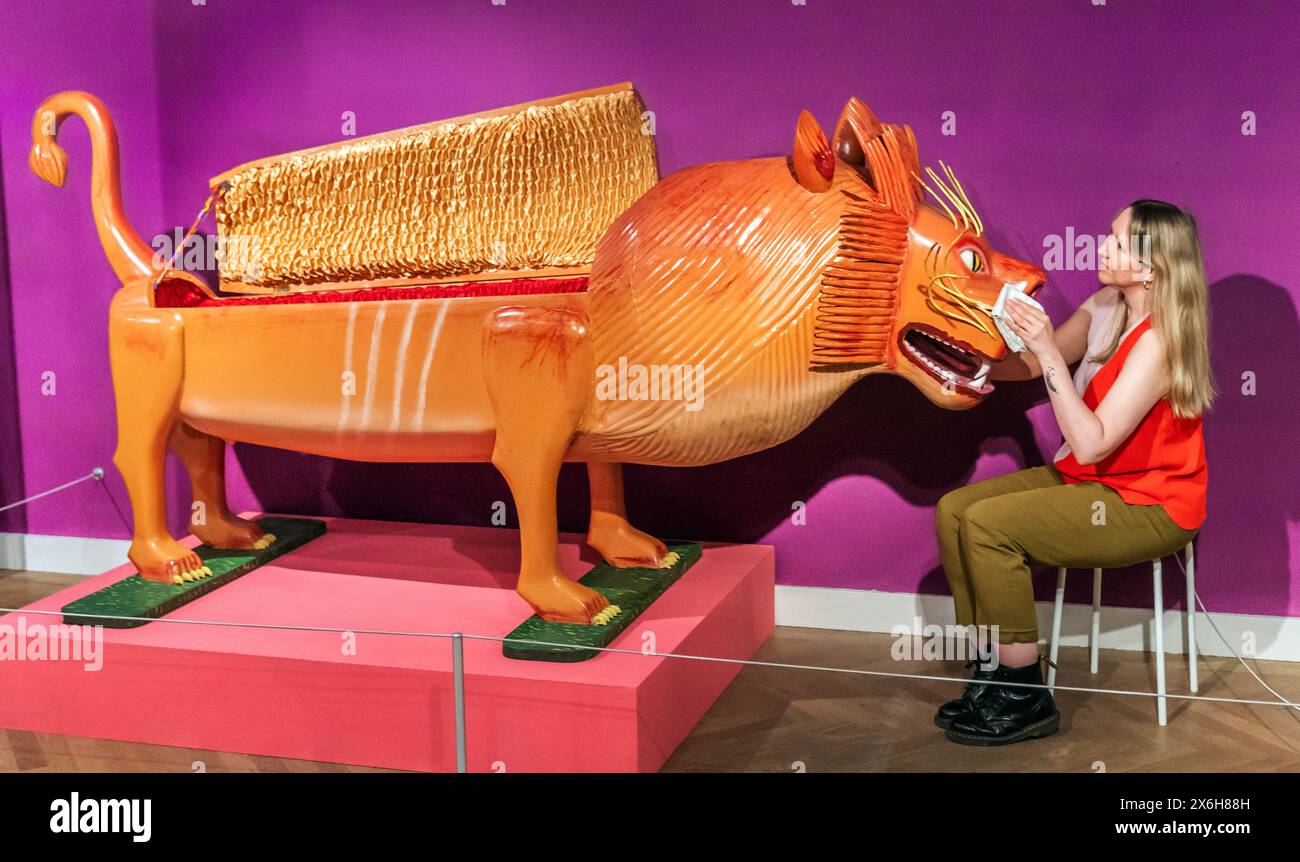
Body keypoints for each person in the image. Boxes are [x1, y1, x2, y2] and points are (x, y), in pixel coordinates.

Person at [933, 199, 1214, 746]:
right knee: (955, 511)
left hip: (1148, 504)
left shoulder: (1160, 340)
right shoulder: (1109, 303)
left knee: (990, 527)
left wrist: (1044, 350)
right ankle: (994, 671)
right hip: (1093, 481)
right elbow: (1038, 363)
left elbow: (1090, 442)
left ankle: (1025, 695)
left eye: (1116, 240)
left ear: (1151, 266)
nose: (1101, 246)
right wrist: (981, 357)